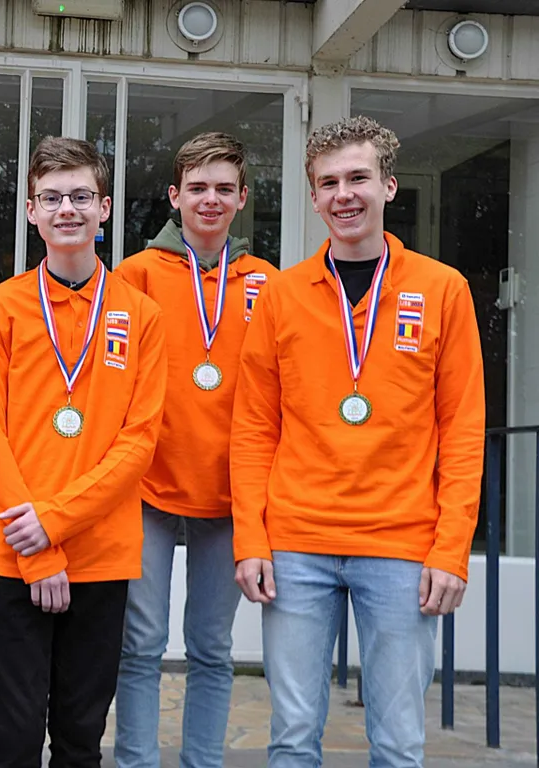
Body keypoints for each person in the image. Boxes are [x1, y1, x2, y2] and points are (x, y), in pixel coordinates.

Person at [231, 115, 485, 767]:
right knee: (292, 739)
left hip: (401, 547)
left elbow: (462, 429)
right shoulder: (280, 296)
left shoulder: (442, 290)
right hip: (296, 545)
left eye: (358, 178)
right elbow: (254, 427)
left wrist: (452, 549)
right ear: (314, 197)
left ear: (388, 185)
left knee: (398, 744)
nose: (344, 194)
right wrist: (251, 539)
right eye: (328, 183)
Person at [0, 136, 167, 768]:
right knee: (15, 738)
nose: (67, 209)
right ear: (31, 211)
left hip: (100, 556)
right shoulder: (1, 307)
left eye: (81, 196)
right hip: (9, 553)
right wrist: (39, 547)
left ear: (104, 208)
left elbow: (139, 441)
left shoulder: (141, 315)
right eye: (51, 198)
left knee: (81, 740)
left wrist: (54, 523)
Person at [112, 132, 277, 768]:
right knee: (141, 643)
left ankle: (202, 762)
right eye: (198, 188)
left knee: (212, 647)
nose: (211, 200)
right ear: (174, 196)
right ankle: (137, 761)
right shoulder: (135, 276)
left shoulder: (267, 283)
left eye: (224, 189)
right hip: (148, 485)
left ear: (242, 198)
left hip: (230, 491)